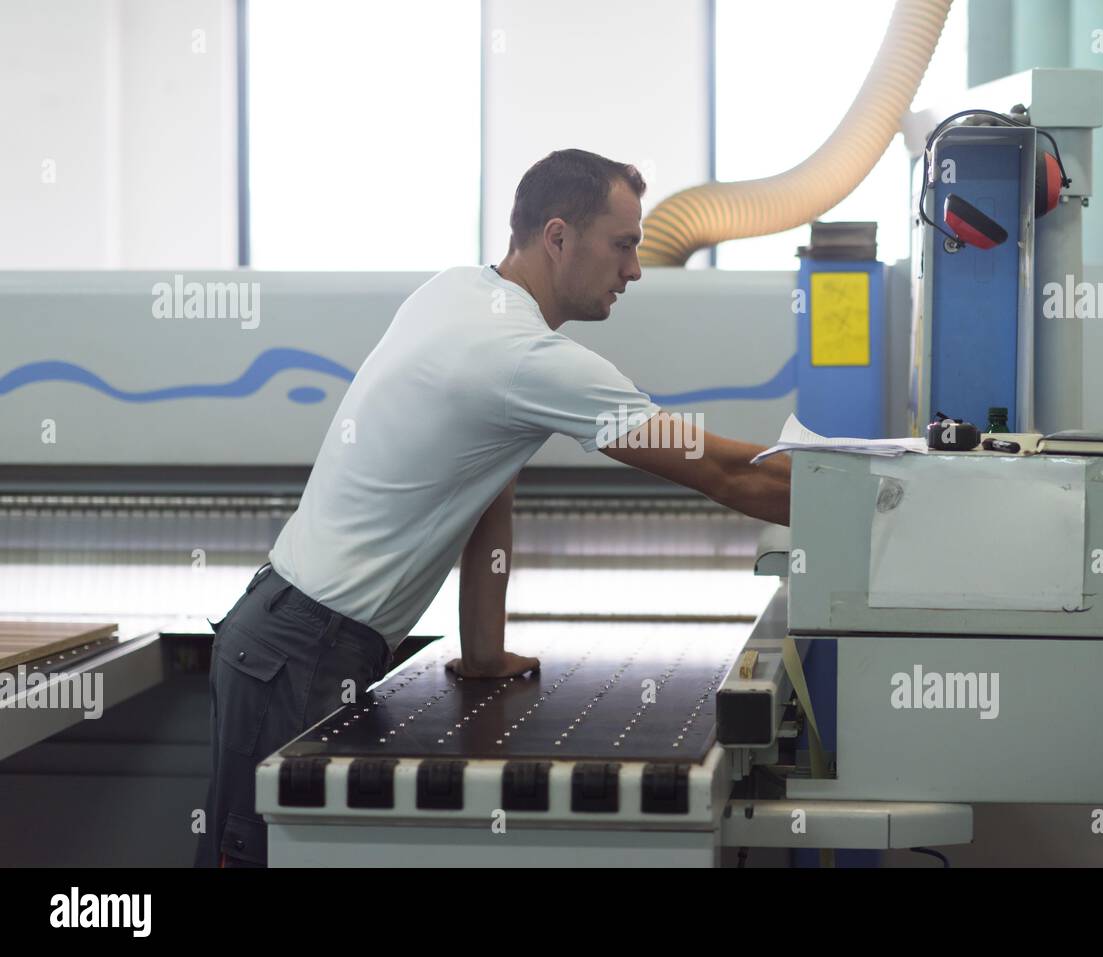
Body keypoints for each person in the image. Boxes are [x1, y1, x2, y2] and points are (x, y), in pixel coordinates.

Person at [196, 148, 791, 867]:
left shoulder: (456, 291)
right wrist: (859, 498)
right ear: (559, 236)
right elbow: (727, 472)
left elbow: (485, 474)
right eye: (624, 246)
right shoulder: (522, 356)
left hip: (283, 630)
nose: (635, 269)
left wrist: (482, 654)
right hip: (304, 650)